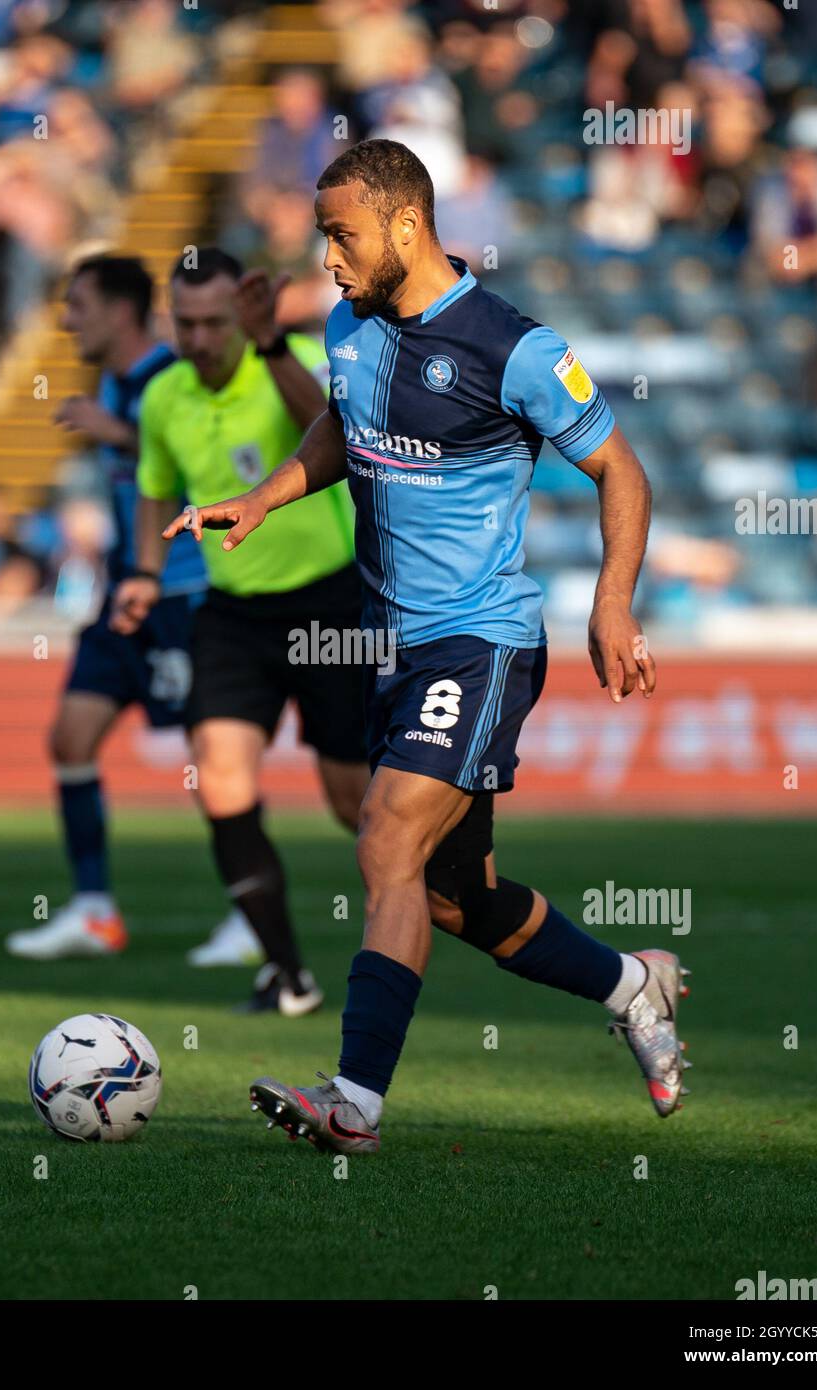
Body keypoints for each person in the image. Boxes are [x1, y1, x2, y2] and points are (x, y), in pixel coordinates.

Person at [166, 141, 691, 1153]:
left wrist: (613, 604)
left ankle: (355, 1103)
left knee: (385, 840)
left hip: (483, 640)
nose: (328, 256)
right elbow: (340, 427)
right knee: (459, 898)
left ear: (408, 225)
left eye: (342, 233)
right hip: (392, 648)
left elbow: (621, 470)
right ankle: (635, 984)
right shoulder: (351, 326)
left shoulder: (516, 348)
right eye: (324, 234)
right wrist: (266, 498)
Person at [111, 248, 370, 1015]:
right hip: (231, 613)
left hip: (331, 604)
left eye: (211, 322)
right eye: (183, 323)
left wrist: (265, 346)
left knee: (351, 803)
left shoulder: (288, 362)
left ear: (242, 315)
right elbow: (155, 492)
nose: (196, 338)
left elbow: (333, 437)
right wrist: (144, 573)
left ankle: (445, 904)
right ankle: (287, 974)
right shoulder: (162, 396)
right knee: (219, 776)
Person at [5, 254, 250, 960]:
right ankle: (93, 909)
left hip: (182, 592)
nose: (66, 318)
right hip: (124, 594)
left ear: (118, 311)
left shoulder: (175, 377)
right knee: (70, 737)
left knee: (214, 756)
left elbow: (214, 463)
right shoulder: (111, 382)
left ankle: (249, 915)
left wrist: (117, 435)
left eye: (77, 304)